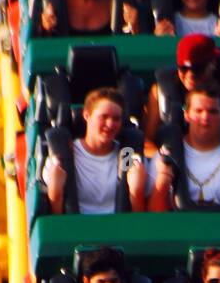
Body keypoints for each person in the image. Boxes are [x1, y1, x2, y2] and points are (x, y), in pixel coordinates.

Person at [147, 82, 220, 211]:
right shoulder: (166, 154)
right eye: (198, 111)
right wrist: (163, 179)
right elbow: (153, 214)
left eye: (213, 112)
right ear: (187, 115)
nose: (205, 117)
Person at [43, 86, 147, 215]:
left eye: (116, 119)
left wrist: (137, 192)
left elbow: (139, 218)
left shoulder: (128, 155)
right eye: (104, 117)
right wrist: (55, 192)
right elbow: (56, 222)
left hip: (121, 231)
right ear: (87, 115)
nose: (110, 124)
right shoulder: (63, 157)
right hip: (77, 231)